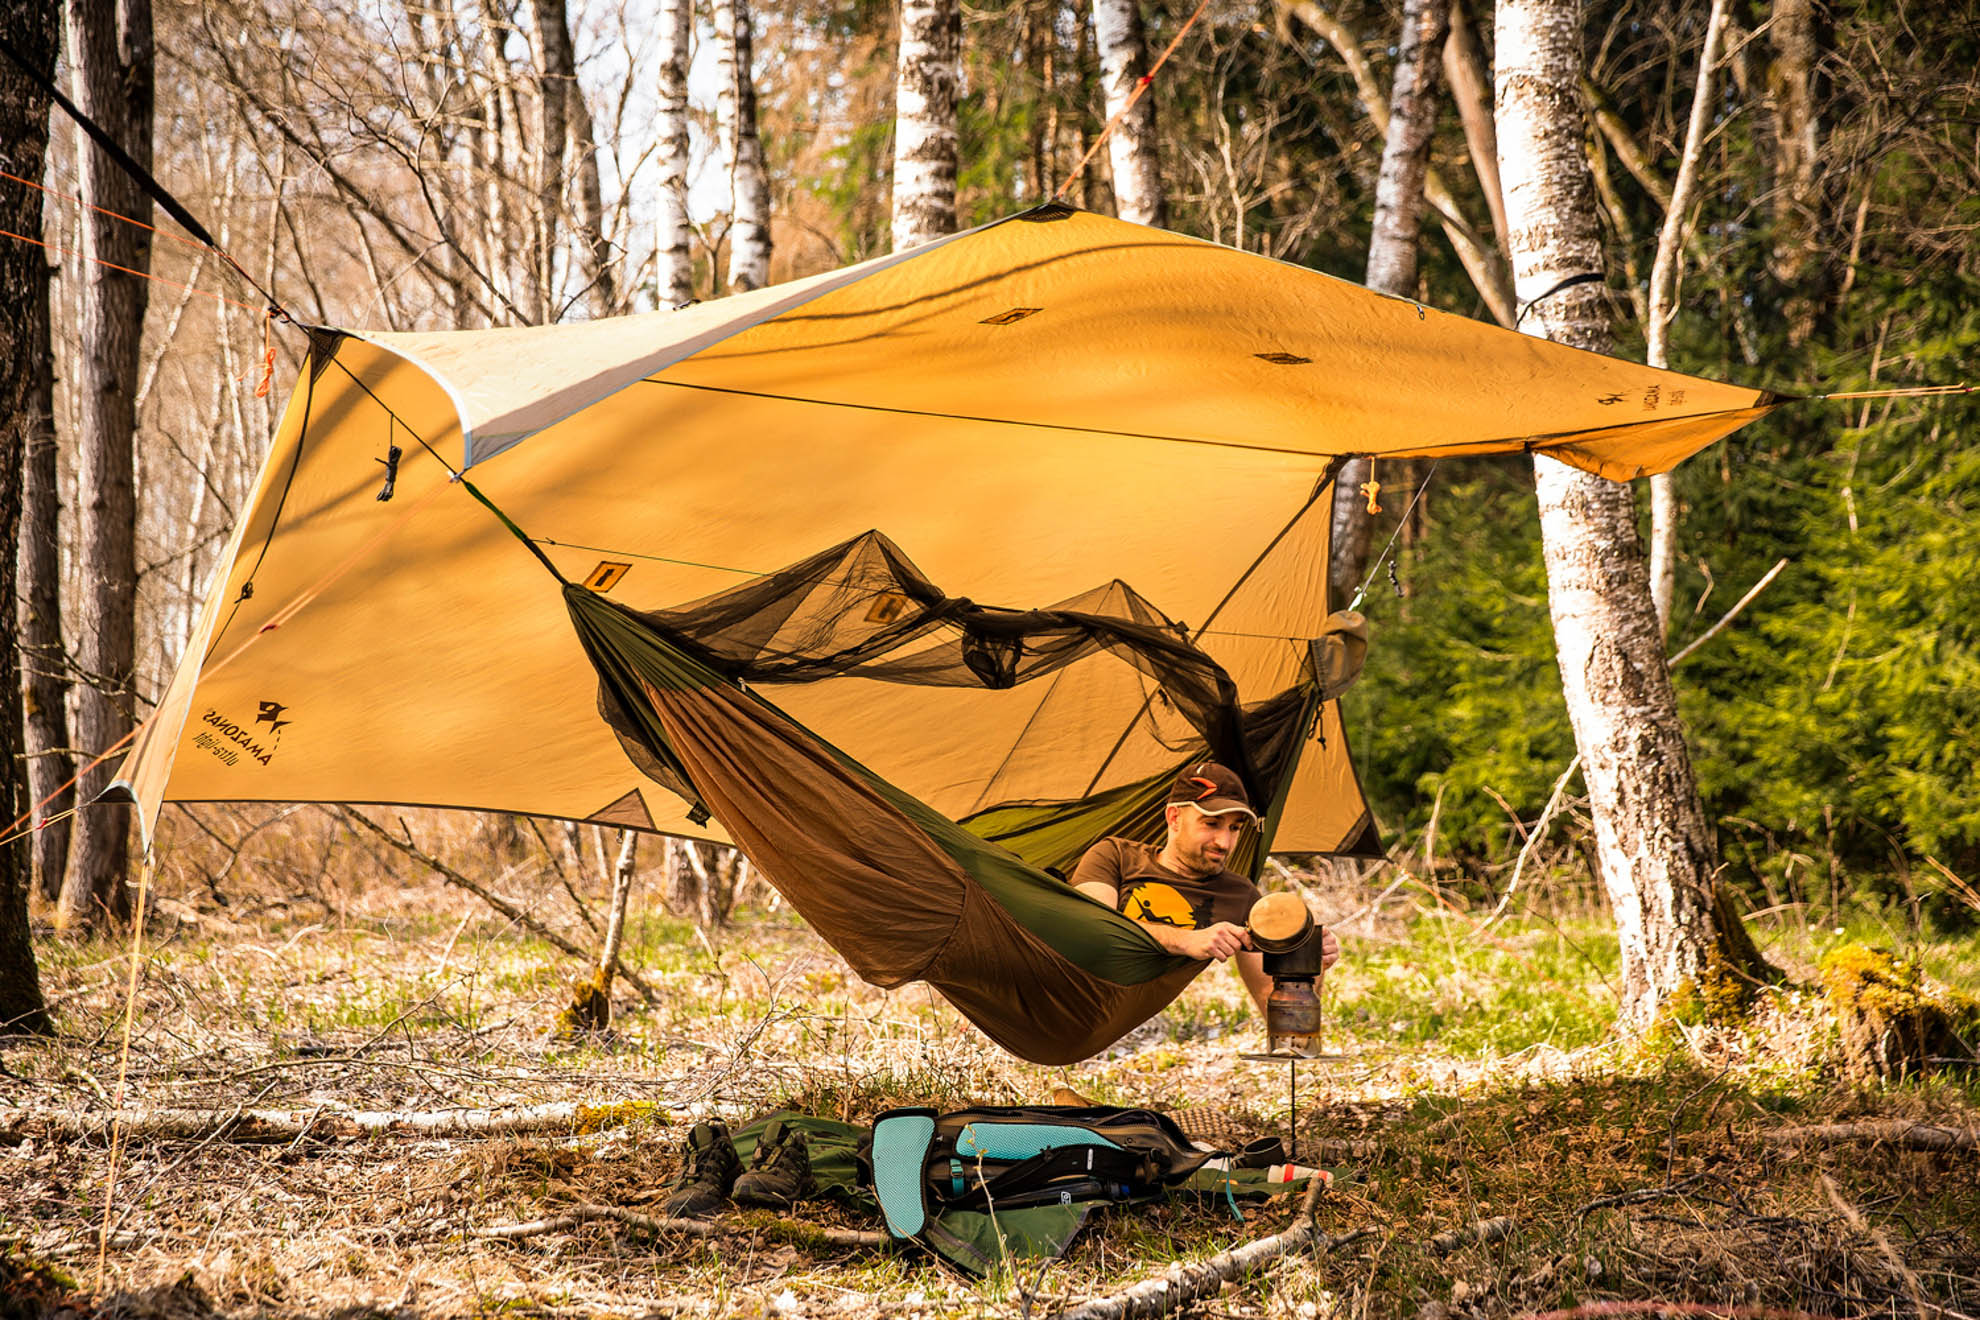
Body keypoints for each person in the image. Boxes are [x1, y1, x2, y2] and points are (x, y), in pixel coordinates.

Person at [1068, 760, 1340, 1021]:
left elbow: (1284, 1016)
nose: (1224, 842)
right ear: (1174, 817)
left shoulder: (1241, 897)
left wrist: (1308, 968)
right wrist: (1187, 940)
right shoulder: (1115, 855)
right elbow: (1092, 929)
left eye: (1234, 828)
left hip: (1092, 1023)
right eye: (1211, 824)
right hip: (1051, 986)